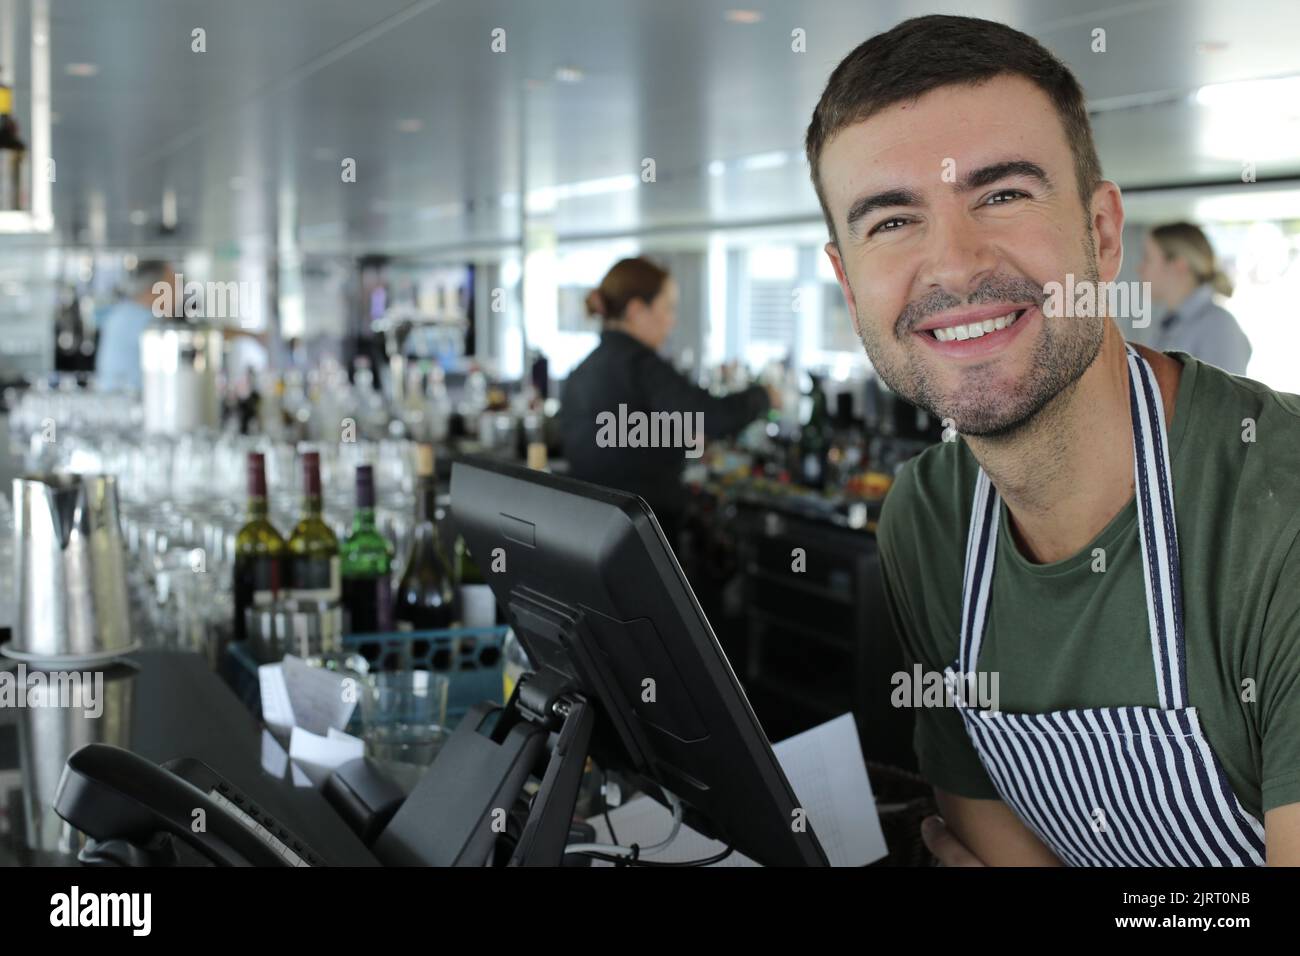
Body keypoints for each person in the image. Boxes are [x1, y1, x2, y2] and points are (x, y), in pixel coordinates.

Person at [805, 14, 1300, 865]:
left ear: (1103, 236)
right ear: (849, 283)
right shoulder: (927, 520)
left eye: (1003, 195)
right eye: (891, 221)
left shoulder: (1278, 508)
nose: (954, 266)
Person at [559, 257, 774, 546]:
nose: (672, 321)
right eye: (668, 308)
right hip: (645, 536)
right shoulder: (641, 365)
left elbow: (624, 438)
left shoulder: (581, 372)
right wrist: (765, 395)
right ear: (636, 311)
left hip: (589, 534)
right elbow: (713, 416)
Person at [1138, 221, 1252, 375]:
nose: (1140, 268)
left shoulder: (1218, 326)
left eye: (1148, 258)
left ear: (1178, 265)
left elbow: (1227, 398)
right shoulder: (1169, 323)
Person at [95, 260, 175, 391]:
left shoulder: (119, 312)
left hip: (110, 398)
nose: (177, 295)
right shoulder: (150, 322)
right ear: (154, 289)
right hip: (137, 402)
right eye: (172, 287)